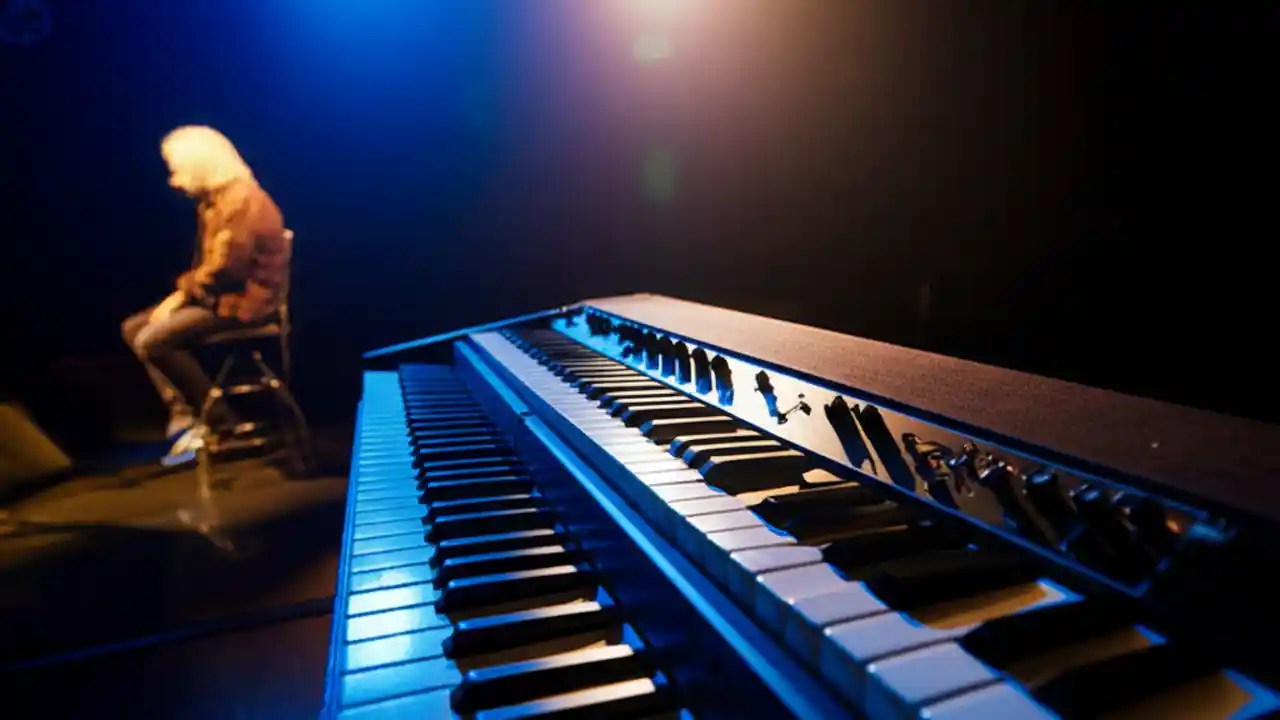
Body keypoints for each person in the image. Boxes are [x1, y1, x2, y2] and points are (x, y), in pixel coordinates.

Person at [121, 125, 290, 466]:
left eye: (178, 169)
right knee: (134, 327)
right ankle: (185, 417)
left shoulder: (243, 200)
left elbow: (227, 272)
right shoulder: (212, 205)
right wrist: (183, 294)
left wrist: (181, 297)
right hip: (218, 301)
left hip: (243, 306)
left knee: (153, 339)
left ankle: (221, 424)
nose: (174, 179)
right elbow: (205, 267)